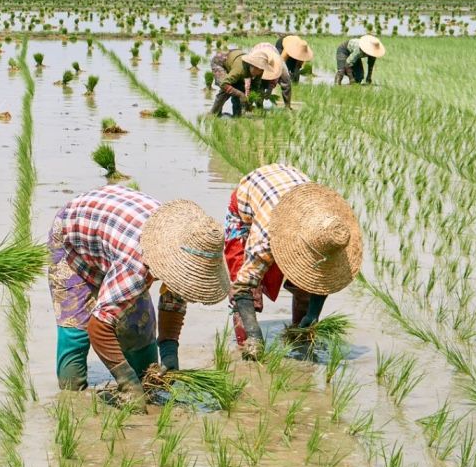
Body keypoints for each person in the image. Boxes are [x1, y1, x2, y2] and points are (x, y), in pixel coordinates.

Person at [49, 189, 230, 403]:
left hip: (113, 235)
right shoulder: (135, 266)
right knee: (76, 329)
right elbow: (99, 325)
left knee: (139, 332)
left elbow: (175, 297)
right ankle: (72, 403)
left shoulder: (185, 247)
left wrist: (169, 351)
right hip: (73, 240)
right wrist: (127, 383)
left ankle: (143, 386)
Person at [164, 164, 361, 360]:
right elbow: (242, 287)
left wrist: (313, 314)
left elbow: (323, 277)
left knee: (307, 282)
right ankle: (246, 346)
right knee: (245, 282)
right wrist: (255, 335)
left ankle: (300, 337)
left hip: (293, 193)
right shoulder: (266, 236)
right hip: (249, 204)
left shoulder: (331, 231)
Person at [209, 45, 283, 117]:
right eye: (256, 68)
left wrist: (254, 99)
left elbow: (255, 87)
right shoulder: (240, 69)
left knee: (240, 87)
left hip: (234, 60)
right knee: (225, 90)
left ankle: (237, 116)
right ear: (251, 64)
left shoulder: (259, 71)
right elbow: (224, 84)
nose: (258, 72)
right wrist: (241, 95)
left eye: (261, 69)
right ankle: (214, 114)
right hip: (220, 61)